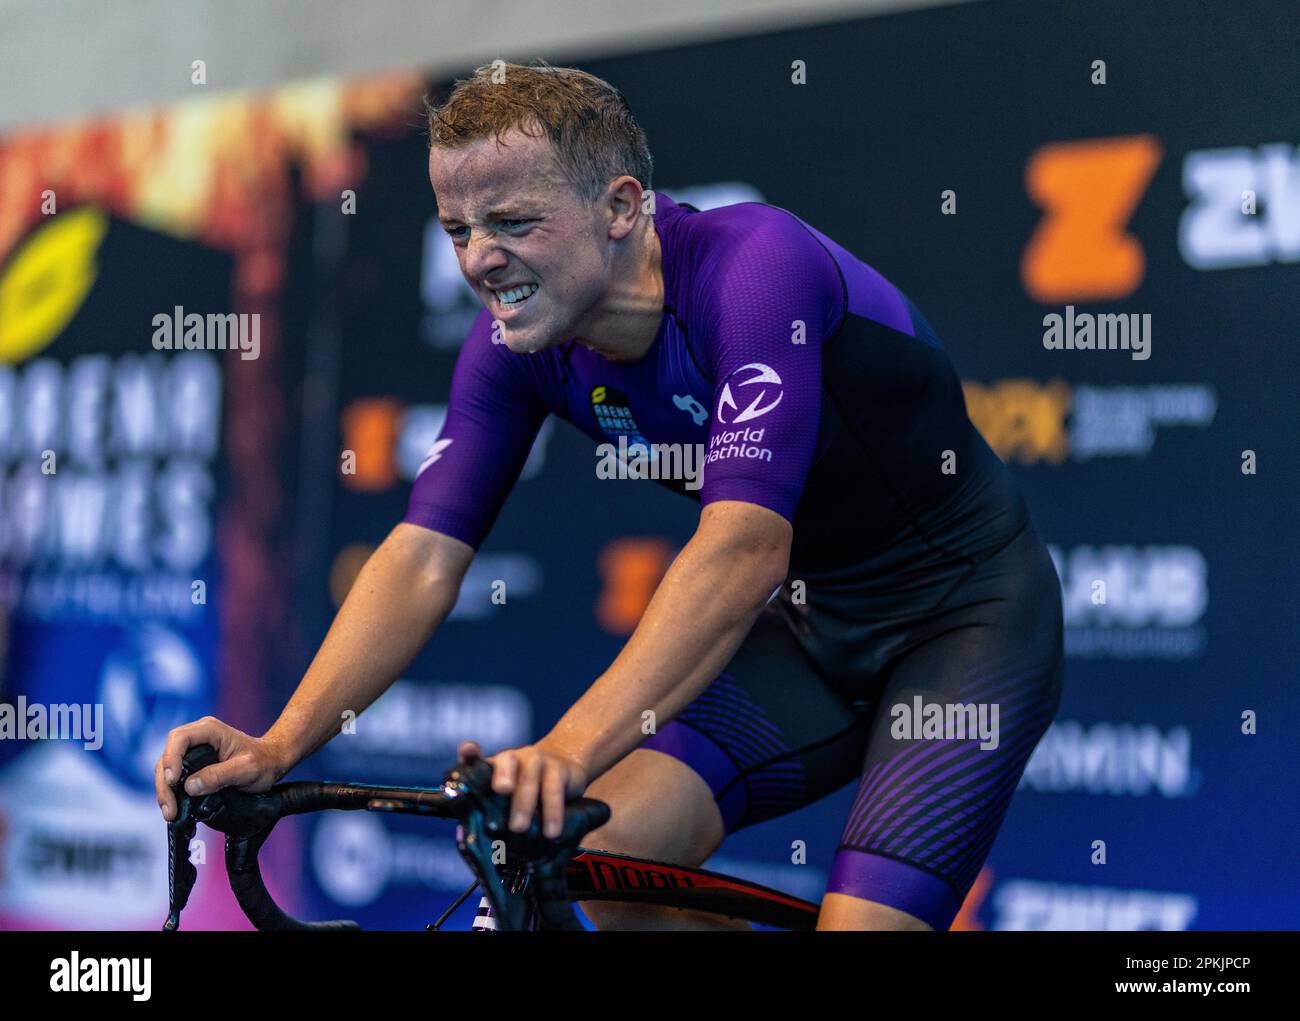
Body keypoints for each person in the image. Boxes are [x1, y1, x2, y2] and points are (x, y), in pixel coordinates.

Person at [156, 60, 1064, 931]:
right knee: (609, 866)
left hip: (966, 625)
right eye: (458, 230)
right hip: (810, 629)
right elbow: (424, 555)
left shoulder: (756, 268)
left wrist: (566, 750)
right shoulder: (519, 341)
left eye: (511, 220)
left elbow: (744, 547)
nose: (480, 260)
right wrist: (279, 744)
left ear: (621, 207)